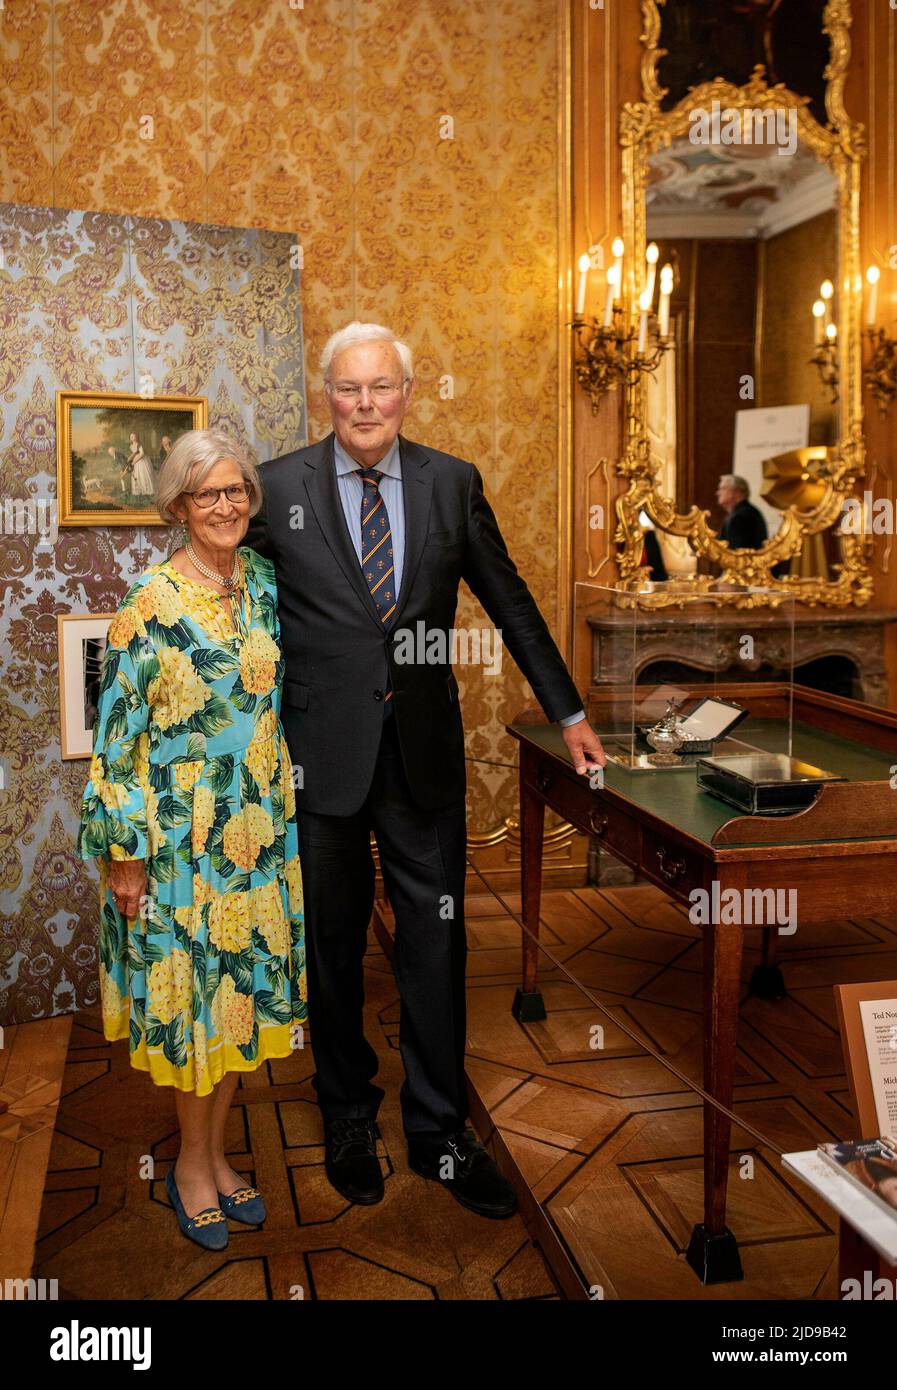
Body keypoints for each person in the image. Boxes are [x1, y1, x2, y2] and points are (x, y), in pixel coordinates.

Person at [245, 321, 606, 1220]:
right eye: (347, 389)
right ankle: (346, 1117)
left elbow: (509, 598)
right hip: (317, 765)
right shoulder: (277, 485)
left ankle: (441, 1129)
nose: (365, 405)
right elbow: (226, 598)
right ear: (325, 393)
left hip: (423, 760)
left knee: (435, 944)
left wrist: (568, 712)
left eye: (382, 388)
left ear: (407, 391)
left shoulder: (452, 483)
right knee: (330, 950)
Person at [77, 428, 306, 1250]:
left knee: (238, 1004)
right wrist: (124, 854)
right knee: (192, 1010)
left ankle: (216, 1155)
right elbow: (117, 738)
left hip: (257, 837)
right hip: (179, 841)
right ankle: (188, 1168)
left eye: (236, 490)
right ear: (177, 506)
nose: (225, 505)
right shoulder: (149, 604)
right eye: (206, 494)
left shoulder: (267, 586)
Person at [716, 473, 768, 549]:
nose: (718, 493)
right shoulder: (746, 512)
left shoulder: (741, 517)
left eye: (723, 488)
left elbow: (737, 554)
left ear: (737, 492)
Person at [127, 432, 155, 498]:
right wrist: (130, 457)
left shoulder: (139, 444)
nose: (133, 438)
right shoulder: (131, 446)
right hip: (136, 461)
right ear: (130, 439)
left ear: (136, 437)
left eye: (134, 436)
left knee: (143, 475)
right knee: (137, 475)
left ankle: (147, 491)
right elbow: (134, 453)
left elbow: (142, 454)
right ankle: (139, 491)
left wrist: (134, 461)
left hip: (142, 461)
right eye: (131, 437)